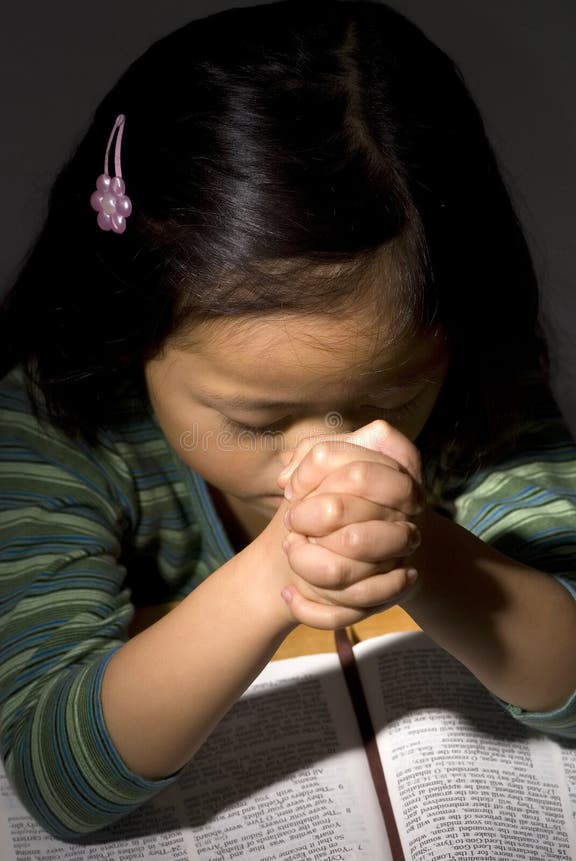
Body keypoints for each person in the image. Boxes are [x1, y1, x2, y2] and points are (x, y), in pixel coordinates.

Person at [1, 0, 575, 842]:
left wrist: (416, 539)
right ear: (125, 335)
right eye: (255, 418)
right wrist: (287, 570)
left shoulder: (484, 397)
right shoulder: (53, 429)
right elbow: (57, 779)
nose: (327, 461)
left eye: (387, 403)